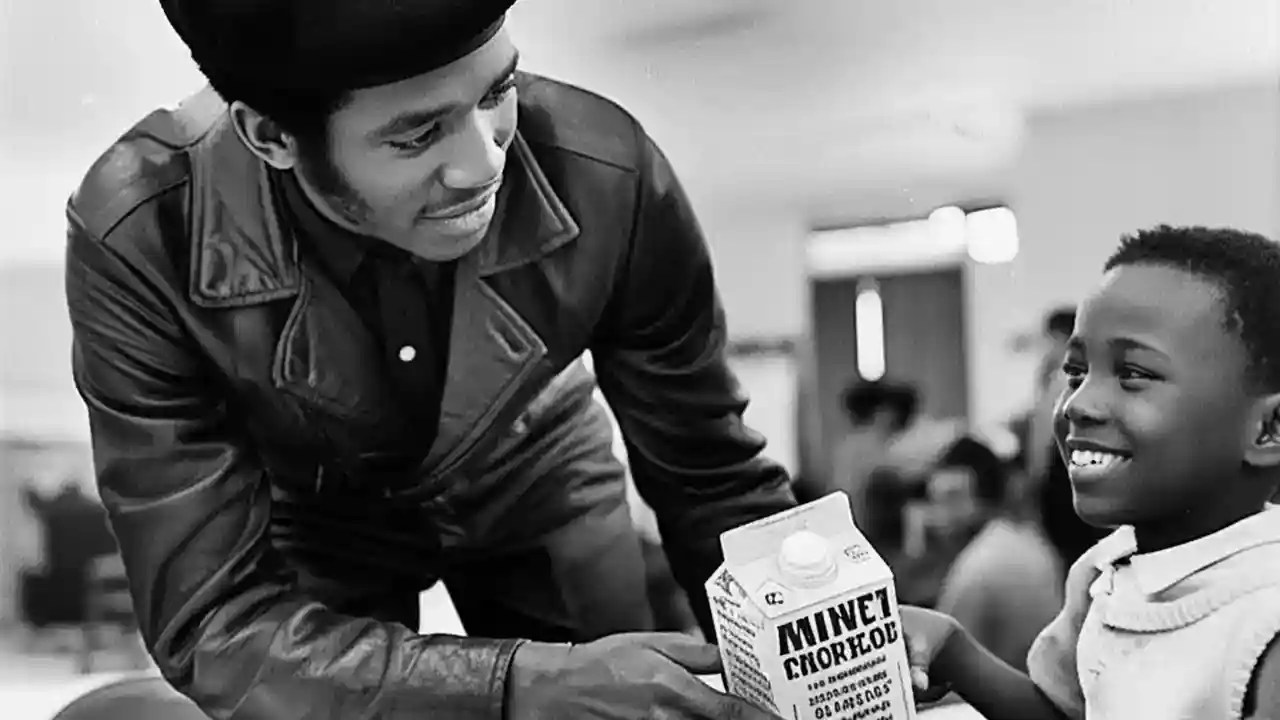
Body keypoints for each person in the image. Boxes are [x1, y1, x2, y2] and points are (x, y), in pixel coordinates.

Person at [62, 2, 794, 718]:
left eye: (496, 92)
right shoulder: (140, 232)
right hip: (310, 510)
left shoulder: (608, 169)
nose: (484, 163)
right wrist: (518, 687)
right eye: (417, 137)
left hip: (539, 465)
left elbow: (711, 476)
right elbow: (217, 623)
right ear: (270, 135)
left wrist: (846, 631)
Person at [900, 226, 1280, 719]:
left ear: (1269, 429)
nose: (1078, 403)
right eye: (1076, 373)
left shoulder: (1264, 623)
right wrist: (957, 653)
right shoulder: (1106, 570)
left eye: (1134, 374)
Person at [930, 436, 1062, 672]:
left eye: (952, 497)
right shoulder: (1032, 540)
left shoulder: (976, 569)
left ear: (984, 496)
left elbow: (941, 666)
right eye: (935, 500)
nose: (939, 515)